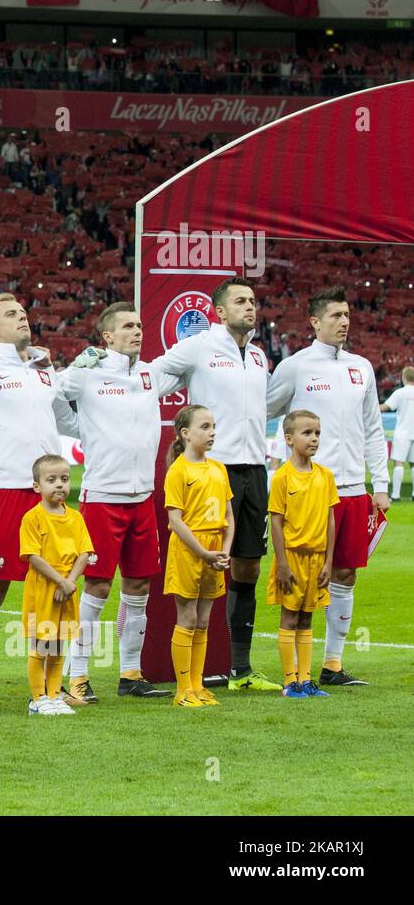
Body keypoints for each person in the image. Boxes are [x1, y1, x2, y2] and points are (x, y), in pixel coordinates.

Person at [0, 293, 78, 712]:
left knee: (52, 585)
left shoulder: (43, 370)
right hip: (7, 487)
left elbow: (68, 418)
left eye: (23, 313)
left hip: (51, 492)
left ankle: (46, 687)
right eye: (10, 315)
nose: (22, 318)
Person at [150, 280, 279, 692]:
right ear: (220, 312)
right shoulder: (200, 347)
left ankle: (240, 669)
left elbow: (264, 405)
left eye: (253, 301)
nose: (249, 307)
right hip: (212, 473)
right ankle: (193, 675)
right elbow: (155, 374)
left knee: (249, 565)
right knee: (200, 565)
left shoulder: (259, 357)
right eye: (240, 301)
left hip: (254, 470)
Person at [265, 286, 390, 686]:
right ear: (315, 322)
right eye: (335, 316)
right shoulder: (296, 367)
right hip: (310, 490)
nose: (344, 322)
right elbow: (263, 411)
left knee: (346, 574)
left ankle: (332, 664)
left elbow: (373, 429)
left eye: (347, 315)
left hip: (353, 488)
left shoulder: (362, 368)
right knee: (302, 577)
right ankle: (295, 671)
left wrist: (381, 484)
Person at [58, 303, 180, 700]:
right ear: (107, 337)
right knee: (96, 585)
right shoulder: (90, 373)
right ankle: (77, 676)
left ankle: (130, 673)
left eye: (140, 325)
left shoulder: (149, 374)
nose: (138, 331)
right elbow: (56, 391)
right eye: (128, 326)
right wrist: (79, 428)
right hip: (102, 498)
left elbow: (185, 369)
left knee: (140, 585)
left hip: (143, 497)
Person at [163, 405, 234, 708]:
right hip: (190, 550)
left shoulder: (218, 468)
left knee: (204, 619)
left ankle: (197, 685)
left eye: (214, 426)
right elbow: (176, 520)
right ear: (185, 433)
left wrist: (224, 551)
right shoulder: (178, 470)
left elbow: (229, 516)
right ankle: (182, 690)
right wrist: (203, 552)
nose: (212, 432)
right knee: (188, 616)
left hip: (214, 550)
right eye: (205, 426)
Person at [267, 410, 337, 699]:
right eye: (307, 433)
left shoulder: (325, 476)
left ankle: (306, 680)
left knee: (307, 618)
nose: (314, 438)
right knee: (290, 617)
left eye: (317, 433)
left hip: (317, 559)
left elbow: (330, 519)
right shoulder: (283, 477)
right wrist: (282, 564)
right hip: (292, 558)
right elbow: (276, 521)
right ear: (288, 438)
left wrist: (329, 562)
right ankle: (289, 682)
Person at [20, 454, 95, 716]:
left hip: (67, 587)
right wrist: (61, 581)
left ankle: (54, 695)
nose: (59, 485)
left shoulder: (75, 517)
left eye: (64, 479)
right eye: (51, 480)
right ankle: (37, 698)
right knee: (42, 645)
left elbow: (85, 552)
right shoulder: (33, 517)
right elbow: (33, 556)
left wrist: (71, 581)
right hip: (45, 587)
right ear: (37, 486)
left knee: (59, 644)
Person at [380, 366, 414, 502]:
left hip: (403, 433)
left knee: (398, 463)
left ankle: (396, 495)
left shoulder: (400, 393)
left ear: (404, 378)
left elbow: (385, 407)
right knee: (413, 464)